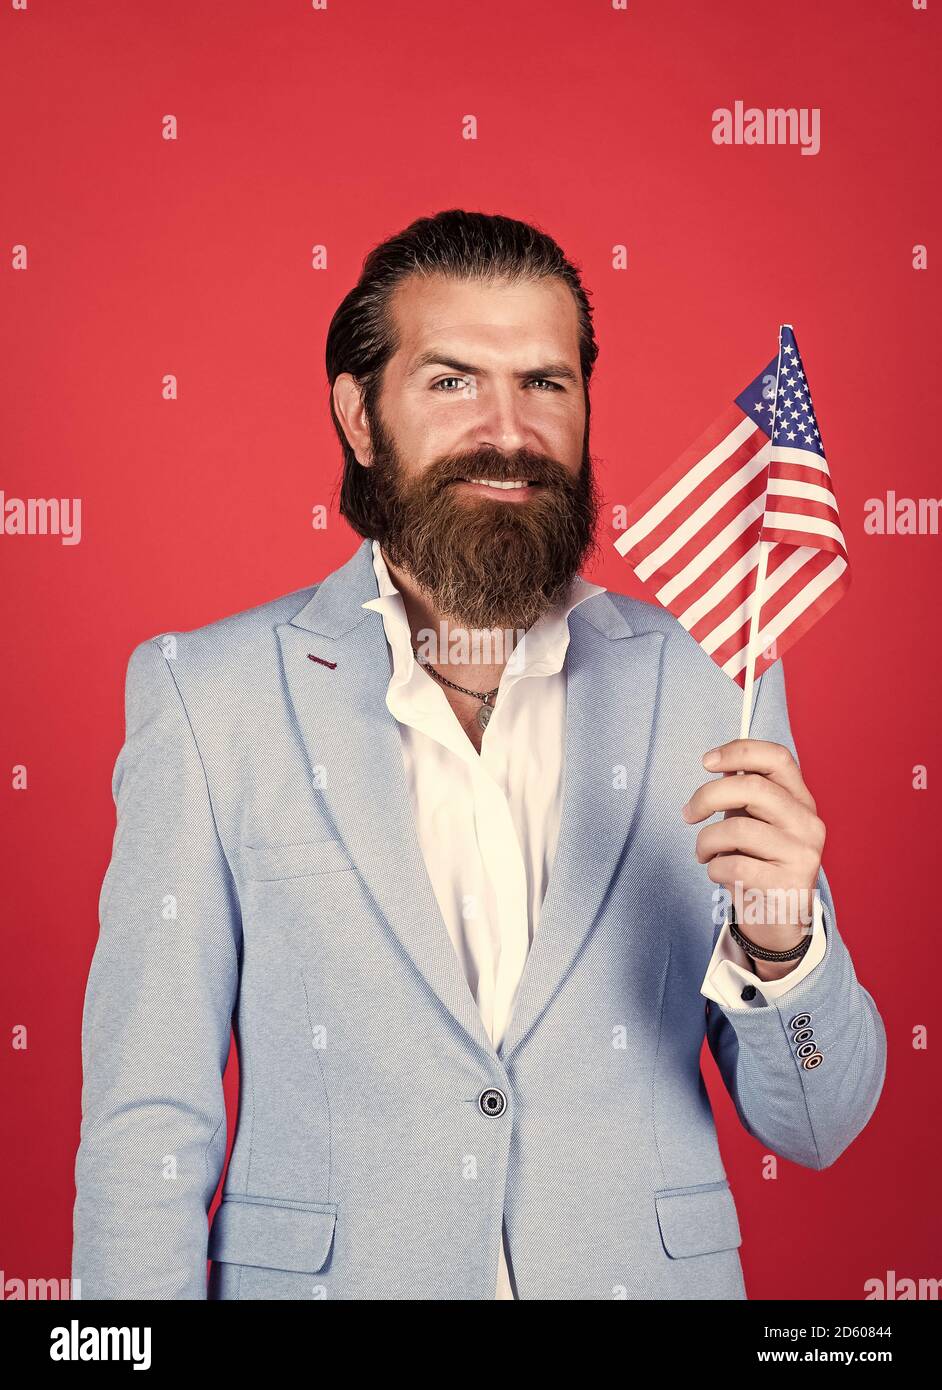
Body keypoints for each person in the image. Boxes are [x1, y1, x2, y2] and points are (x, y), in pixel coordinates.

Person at [72, 209, 886, 1300]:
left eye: (546, 383)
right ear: (360, 415)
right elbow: (147, 1122)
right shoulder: (208, 696)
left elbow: (819, 1125)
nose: (508, 430)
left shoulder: (712, 677)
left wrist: (784, 946)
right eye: (452, 381)